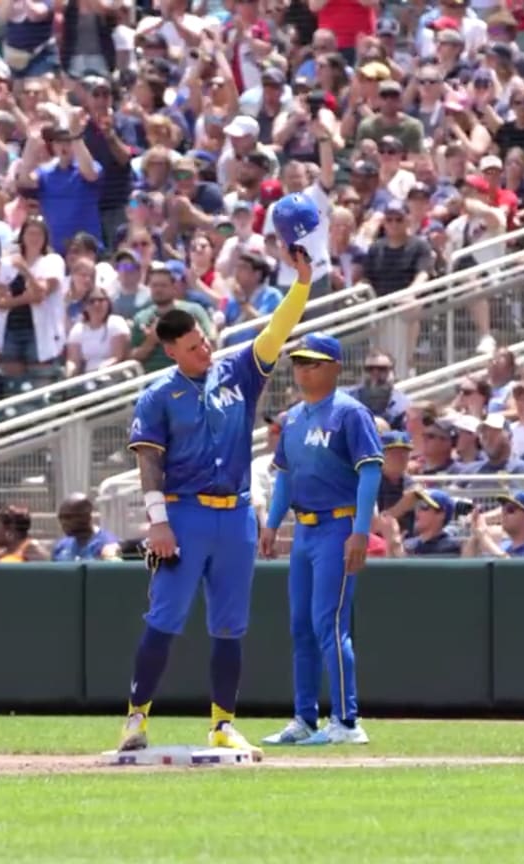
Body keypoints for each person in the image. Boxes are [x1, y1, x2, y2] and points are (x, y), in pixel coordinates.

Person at [118, 196, 318, 754]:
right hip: (180, 513)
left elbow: (275, 334)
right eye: (191, 346)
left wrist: (301, 285)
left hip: (233, 515)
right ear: (171, 351)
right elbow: (148, 460)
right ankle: (135, 718)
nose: (203, 349)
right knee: (164, 618)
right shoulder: (158, 392)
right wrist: (157, 522)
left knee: (230, 626)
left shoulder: (235, 369)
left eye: (204, 339)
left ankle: (223, 723)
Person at [258, 332, 383, 747]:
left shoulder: (350, 413)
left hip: (338, 525)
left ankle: (347, 721)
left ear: (334, 367)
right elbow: (285, 477)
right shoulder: (292, 418)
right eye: (298, 362)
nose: (302, 369)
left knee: (330, 623)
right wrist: (273, 524)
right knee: (301, 627)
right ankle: (305, 717)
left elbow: (369, 472)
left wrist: (360, 531)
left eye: (312, 362)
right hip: (306, 530)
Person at [52, 493, 121, 561]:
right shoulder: (61, 547)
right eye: (61, 518)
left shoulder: (107, 543)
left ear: (86, 516)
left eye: (68, 517)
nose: (64, 522)